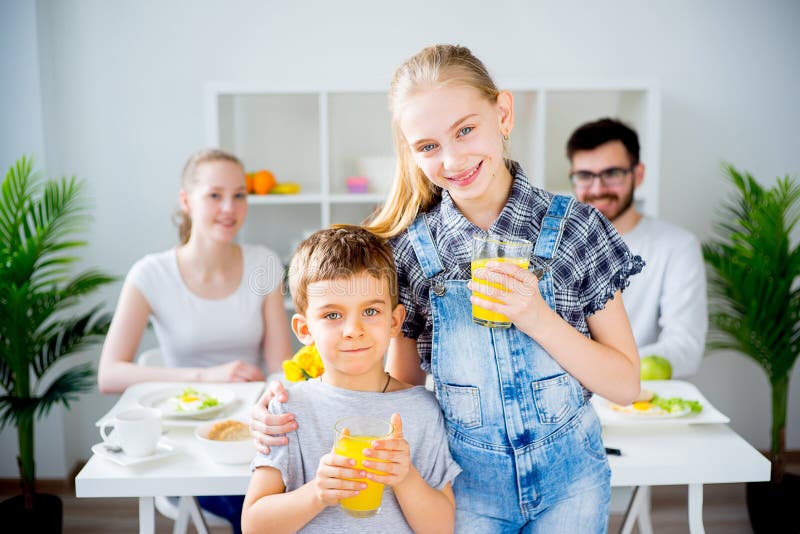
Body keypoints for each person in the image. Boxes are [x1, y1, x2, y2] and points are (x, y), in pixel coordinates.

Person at [249, 44, 643, 532]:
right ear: (411, 151)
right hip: (465, 494)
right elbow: (394, 387)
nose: (453, 159)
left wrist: (537, 316)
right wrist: (286, 396)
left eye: (465, 130)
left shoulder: (578, 229)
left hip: (574, 487)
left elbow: (626, 385)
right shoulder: (411, 252)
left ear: (502, 113)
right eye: (428, 146)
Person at [97, 148, 292, 533]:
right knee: (258, 507)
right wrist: (209, 377)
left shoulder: (264, 264)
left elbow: (281, 369)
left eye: (239, 195)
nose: (229, 208)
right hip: (183, 441)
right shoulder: (151, 274)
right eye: (215, 195)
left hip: (250, 429)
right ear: (186, 201)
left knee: (282, 495)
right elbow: (109, 374)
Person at [242, 226, 460, 534]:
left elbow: (441, 528)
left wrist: (405, 477)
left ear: (394, 321)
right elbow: (254, 525)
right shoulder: (288, 412)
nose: (352, 330)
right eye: (332, 315)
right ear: (304, 330)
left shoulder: (422, 410)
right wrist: (317, 493)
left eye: (370, 311)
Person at [567, 118, 708, 378]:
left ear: (638, 175)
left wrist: (610, 369)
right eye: (585, 176)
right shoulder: (554, 247)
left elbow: (684, 347)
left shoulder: (676, 246)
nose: (597, 189)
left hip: (641, 403)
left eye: (612, 174)